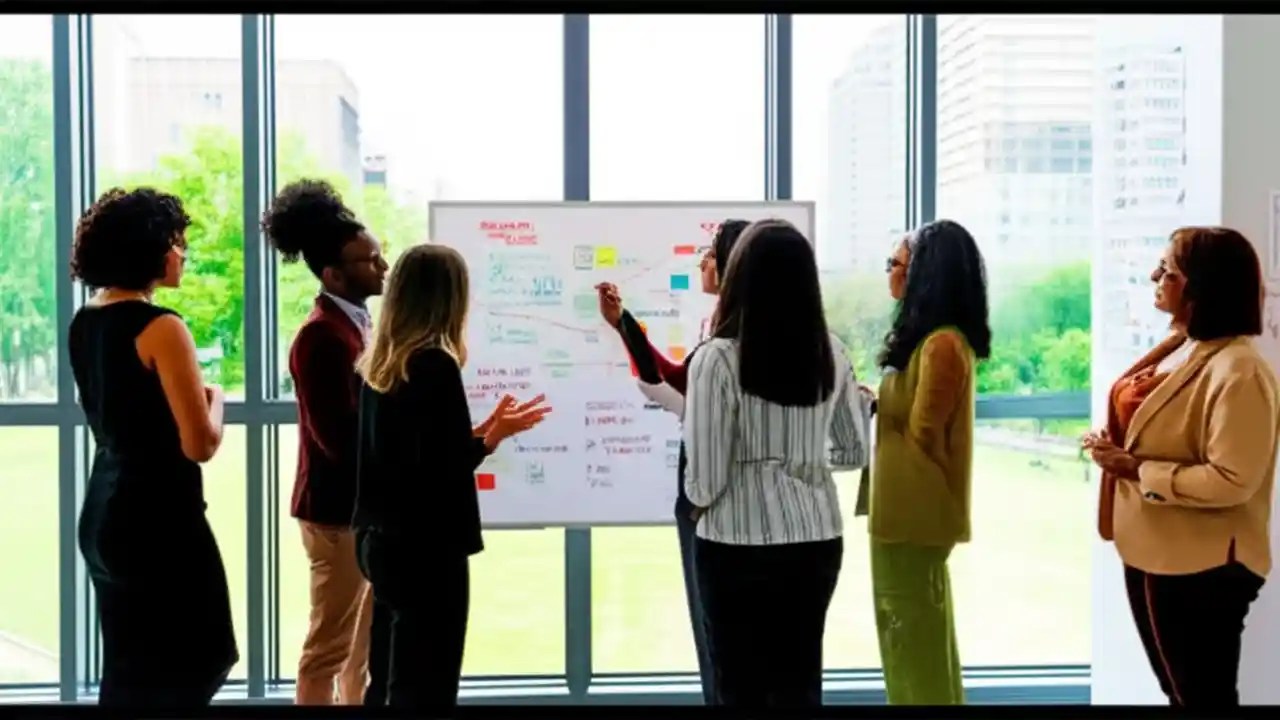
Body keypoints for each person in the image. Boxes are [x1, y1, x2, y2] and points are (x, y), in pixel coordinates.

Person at [1084, 226, 1279, 708]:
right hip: (1155, 550)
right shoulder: (1186, 345)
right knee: (1180, 694)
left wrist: (1136, 469)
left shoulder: (1240, 371)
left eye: (1168, 271)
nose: (1154, 276)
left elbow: (1232, 479)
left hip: (1204, 566)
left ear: (1202, 287)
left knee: (1203, 698)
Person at [353, 243, 552, 708]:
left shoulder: (381, 363)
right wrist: (491, 438)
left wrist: (484, 430)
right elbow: (444, 468)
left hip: (381, 542)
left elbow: (411, 453)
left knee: (386, 675)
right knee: (428, 680)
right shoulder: (434, 363)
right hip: (428, 550)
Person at [682, 218, 871, 707]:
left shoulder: (716, 358)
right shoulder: (833, 350)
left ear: (739, 274)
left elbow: (703, 481)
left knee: (739, 688)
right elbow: (853, 452)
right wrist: (801, 461)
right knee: (799, 685)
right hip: (817, 539)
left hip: (734, 544)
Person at [69, 187, 238, 705]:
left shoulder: (86, 321)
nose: (181, 253)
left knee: (128, 667)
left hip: (103, 513)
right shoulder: (162, 327)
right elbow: (200, 444)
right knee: (203, 656)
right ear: (151, 248)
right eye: (176, 241)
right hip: (158, 520)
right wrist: (218, 398)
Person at [593, 218, 749, 704]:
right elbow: (678, 379)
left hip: (714, 496)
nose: (702, 260)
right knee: (717, 631)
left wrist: (625, 326)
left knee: (722, 631)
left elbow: (680, 384)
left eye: (710, 252)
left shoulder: (736, 334)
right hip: (709, 491)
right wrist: (623, 324)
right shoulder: (722, 323)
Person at [261, 179, 388, 705]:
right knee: (328, 651)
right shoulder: (320, 337)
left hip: (357, 512)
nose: (382, 267)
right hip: (336, 515)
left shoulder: (357, 325)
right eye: (369, 260)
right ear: (334, 274)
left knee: (361, 654)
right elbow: (336, 436)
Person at [868, 220, 991, 705]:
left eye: (895, 264)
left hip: (914, 517)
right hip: (905, 516)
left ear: (925, 273)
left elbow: (921, 442)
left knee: (913, 649)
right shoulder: (928, 341)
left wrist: (872, 420)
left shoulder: (942, 345)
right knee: (909, 643)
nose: (890, 274)